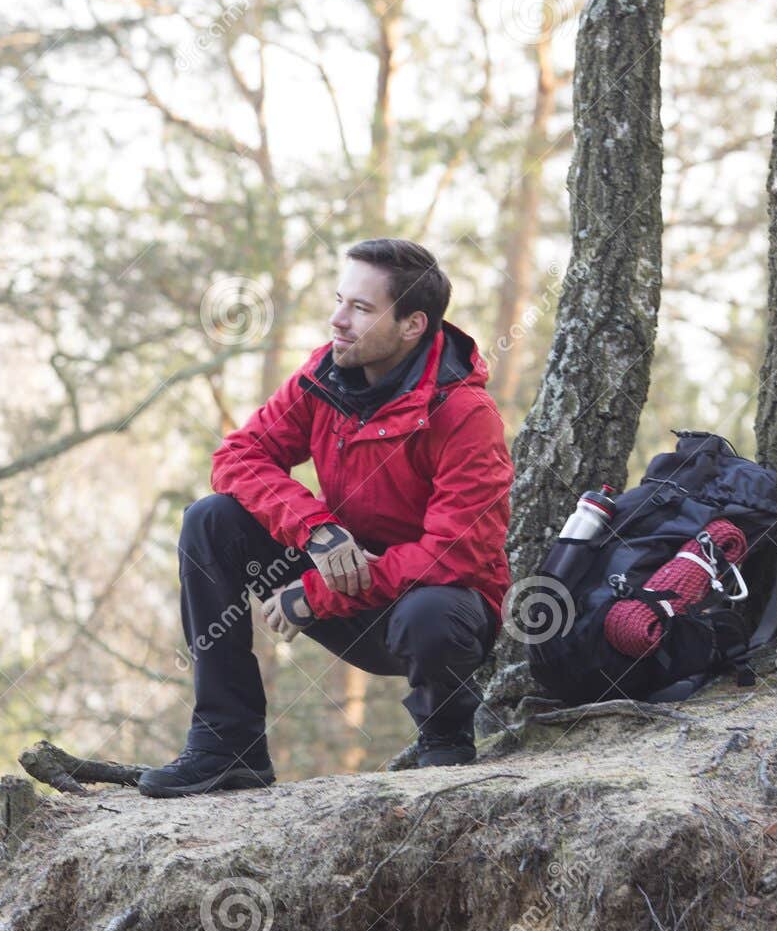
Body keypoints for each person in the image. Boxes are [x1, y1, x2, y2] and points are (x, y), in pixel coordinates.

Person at [139, 239, 513, 797]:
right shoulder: (324, 376)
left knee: (432, 613)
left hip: (432, 611)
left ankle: (446, 746)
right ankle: (227, 746)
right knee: (210, 520)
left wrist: (316, 593)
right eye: (340, 300)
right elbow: (238, 458)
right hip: (338, 574)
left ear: (412, 325)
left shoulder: (463, 414)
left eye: (361, 309)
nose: (337, 320)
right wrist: (316, 530)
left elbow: (452, 553)